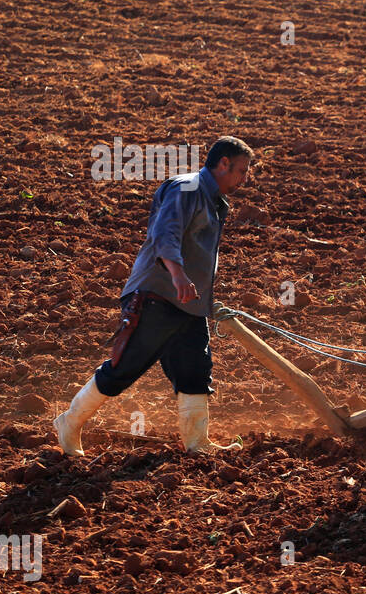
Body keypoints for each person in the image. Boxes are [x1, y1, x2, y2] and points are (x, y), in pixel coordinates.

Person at [53, 136, 254, 456]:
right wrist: (178, 276)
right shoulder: (187, 188)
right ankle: (69, 422)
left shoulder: (216, 202)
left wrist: (201, 298)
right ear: (223, 164)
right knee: (123, 368)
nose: (245, 179)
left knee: (195, 370)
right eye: (241, 171)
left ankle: (197, 443)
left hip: (187, 303)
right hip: (158, 296)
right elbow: (166, 234)